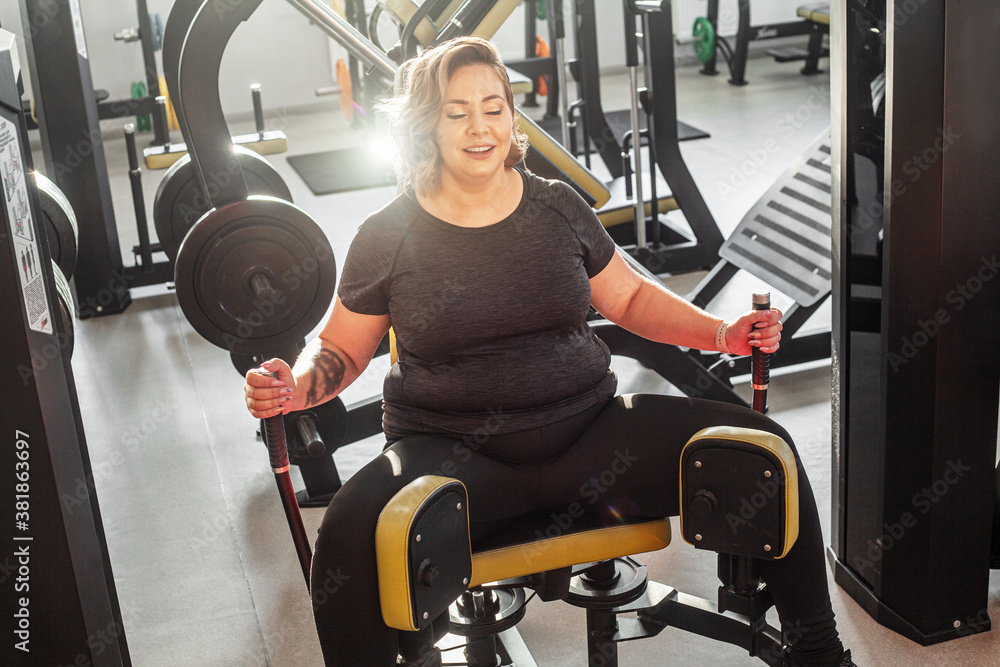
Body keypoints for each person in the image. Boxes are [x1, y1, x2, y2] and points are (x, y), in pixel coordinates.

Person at [244, 36, 854, 667]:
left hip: (591, 438)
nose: (479, 127)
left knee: (763, 450)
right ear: (425, 127)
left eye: (494, 107)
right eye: (457, 113)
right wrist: (297, 389)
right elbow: (342, 350)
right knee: (349, 533)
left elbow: (633, 301)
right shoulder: (387, 235)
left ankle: (819, 652)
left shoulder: (557, 207)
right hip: (456, 457)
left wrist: (722, 335)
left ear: (513, 117)